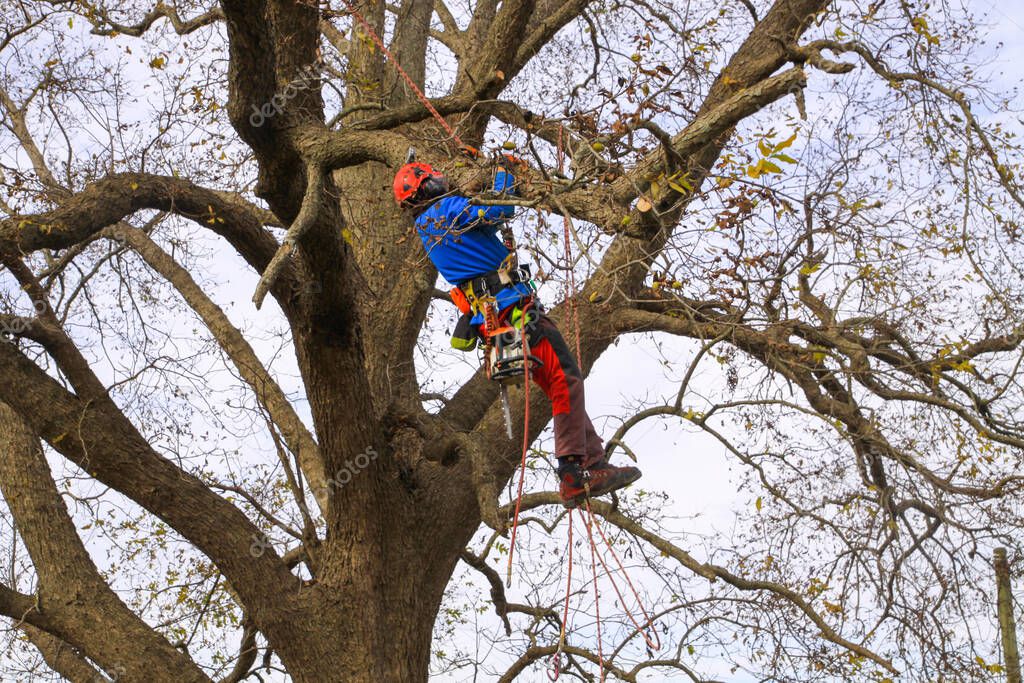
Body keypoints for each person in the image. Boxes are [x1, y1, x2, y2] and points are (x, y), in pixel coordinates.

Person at [393, 158, 642, 508]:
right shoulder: (444, 212)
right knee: (567, 377)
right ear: (427, 187)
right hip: (514, 312)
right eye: (437, 179)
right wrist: (502, 170)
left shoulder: (429, 227)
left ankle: (590, 464)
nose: (443, 180)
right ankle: (574, 472)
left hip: (500, 320)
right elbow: (502, 206)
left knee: (561, 384)